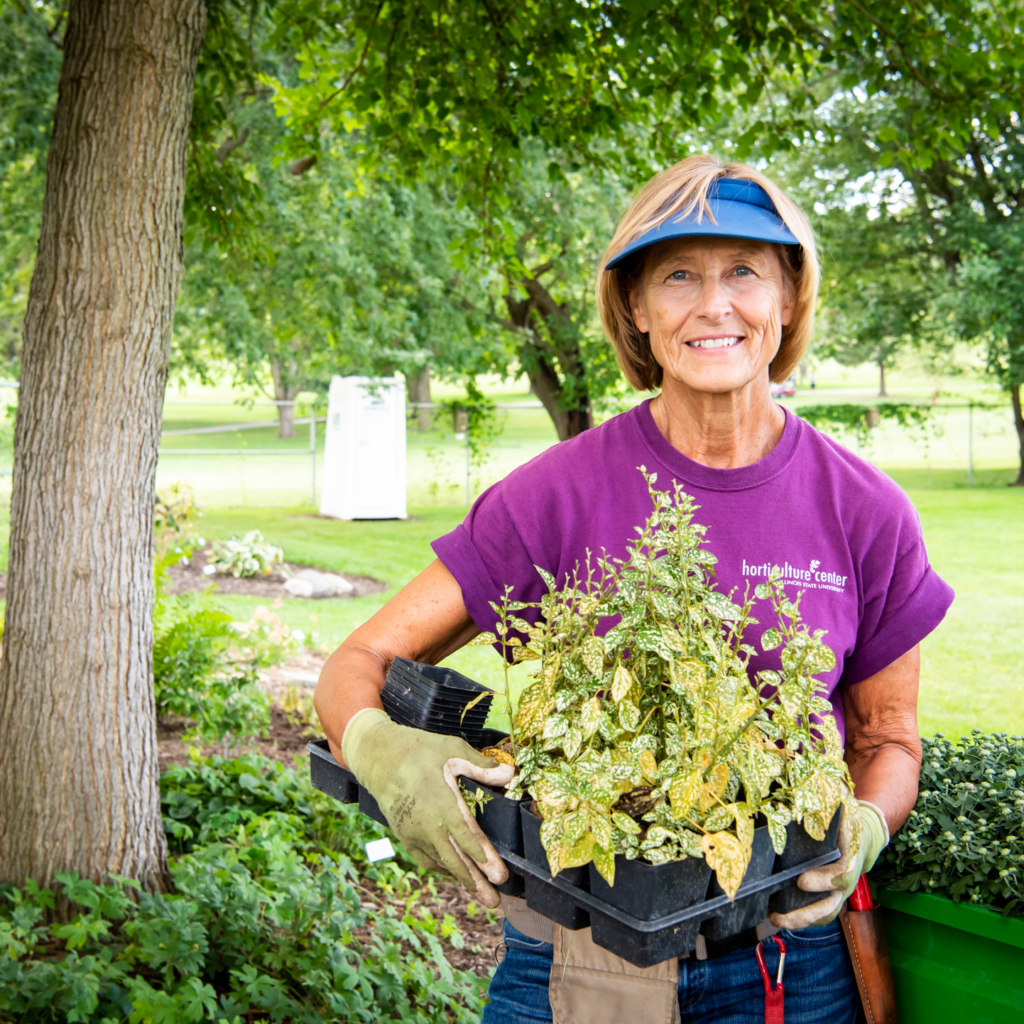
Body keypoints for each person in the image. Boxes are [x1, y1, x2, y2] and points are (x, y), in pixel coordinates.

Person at [314, 155, 954, 1023]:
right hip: (578, 969)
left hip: (788, 972)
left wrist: (867, 827)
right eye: (679, 275)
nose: (714, 303)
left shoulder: (864, 510)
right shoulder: (557, 495)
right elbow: (360, 659)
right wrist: (379, 750)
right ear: (637, 311)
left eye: (745, 272)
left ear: (790, 298)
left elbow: (888, 736)